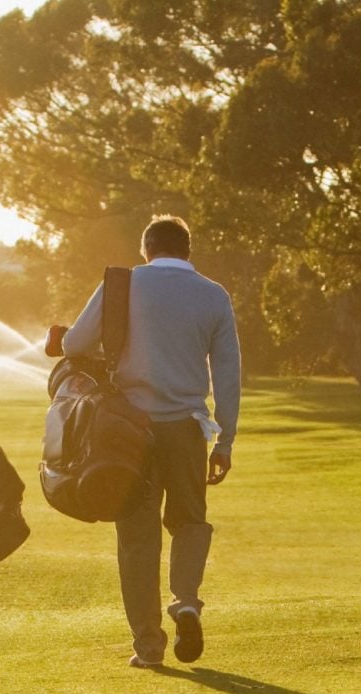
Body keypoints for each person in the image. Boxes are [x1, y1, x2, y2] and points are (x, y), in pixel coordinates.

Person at [62, 215, 241, 667]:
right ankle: (185, 600)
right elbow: (227, 375)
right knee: (190, 520)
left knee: (137, 537)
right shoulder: (213, 295)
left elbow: (75, 344)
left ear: (147, 250)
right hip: (186, 427)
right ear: (187, 250)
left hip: (128, 431)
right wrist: (226, 441)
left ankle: (148, 646)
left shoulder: (123, 284)